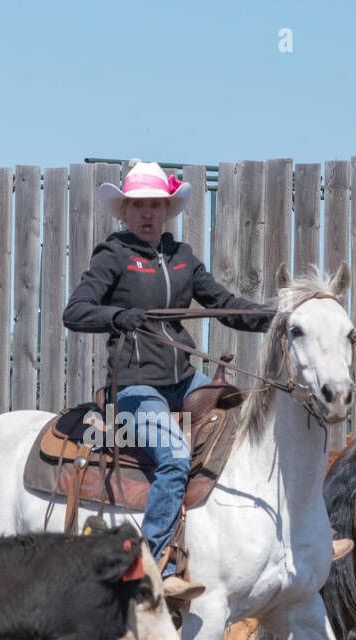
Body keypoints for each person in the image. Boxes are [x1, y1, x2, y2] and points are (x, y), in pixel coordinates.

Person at [63, 161, 273, 599]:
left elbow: (224, 304)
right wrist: (118, 315)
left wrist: (271, 317)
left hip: (184, 379)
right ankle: (153, 564)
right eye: (139, 205)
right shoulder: (113, 255)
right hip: (134, 388)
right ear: (124, 211)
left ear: (167, 210)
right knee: (176, 457)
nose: (147, 213)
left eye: (156, 205)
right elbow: (75, 311)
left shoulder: (183, 258)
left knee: (248, 426)